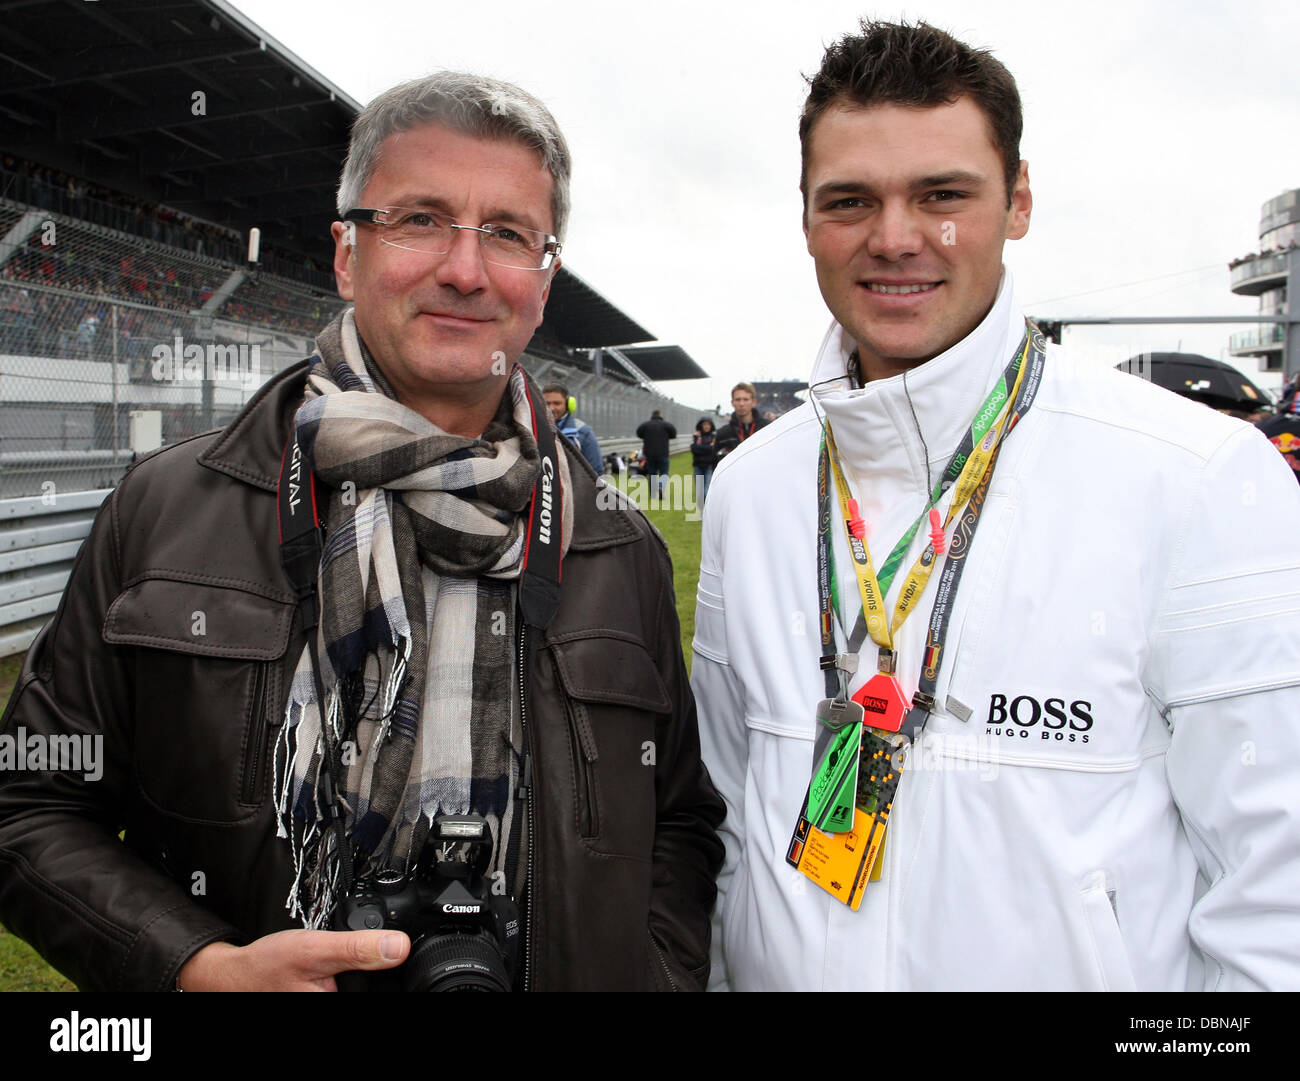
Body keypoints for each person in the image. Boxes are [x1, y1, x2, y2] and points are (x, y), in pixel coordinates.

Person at [0, 71, 723, 992]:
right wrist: (195, 966)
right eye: (419, 219)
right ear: (346, 254)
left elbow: (682, 825)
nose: (464, 268)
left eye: (506, 233)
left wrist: (651, 973)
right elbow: (28, 802)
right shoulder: (165, 508)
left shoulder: (618, 545)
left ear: (544, 283)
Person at [693, 19, 1300, 992]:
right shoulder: (752, 489)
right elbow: (726, 819)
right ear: (806, 218)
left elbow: (1279, 895)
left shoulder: (1198, 476)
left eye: (942, 195)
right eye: (849, 200)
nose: (894, 237)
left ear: (1015, 202)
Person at [542, 382, 604, 475]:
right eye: (547, 404)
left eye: (557, 403)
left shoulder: (582, 432)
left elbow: (595, 472)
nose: (551, 408)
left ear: (568, 405)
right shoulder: (534, 429)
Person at [714, 382, 767, 460]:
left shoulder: (767, 428)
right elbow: (716, 465)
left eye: (746, 399)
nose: (741, 404)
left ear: (753, 402)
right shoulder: (722, 434)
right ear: (732, 403)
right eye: (738, 400)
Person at [636, 408, 677, 498]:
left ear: (652, 415)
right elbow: (674, 434)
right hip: (663, 453)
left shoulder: (645, 425)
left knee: (652, 473)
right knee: (664, 472)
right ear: (660, 415)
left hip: (649, 454)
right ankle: (661, 487)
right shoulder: (666, 425)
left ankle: (653, 494)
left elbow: (638, 433)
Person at [690, 418, 719, 506]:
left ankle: (708, 509)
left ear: (711, 426)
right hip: (698, 466)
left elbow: (713, 449)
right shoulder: (696, 436)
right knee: (700, 491)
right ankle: (702, 510)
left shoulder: (714, 437)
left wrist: (701, 447)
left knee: (707, 490)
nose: (706, 426)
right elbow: (693, 448)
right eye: (704, 424)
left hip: (709, 466)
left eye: (708, 424)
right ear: (701, 426)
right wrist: (708, 447)